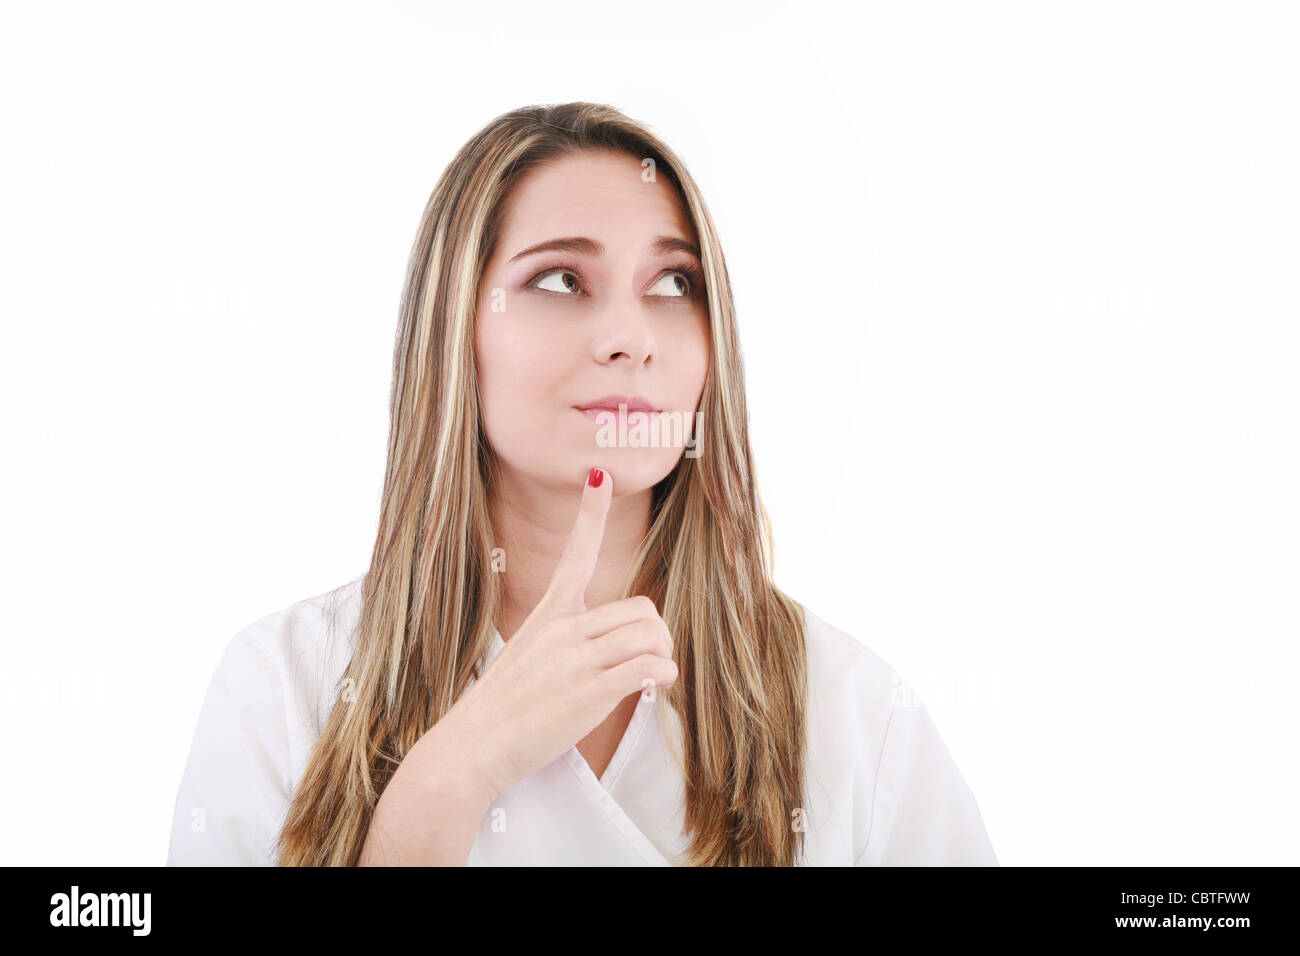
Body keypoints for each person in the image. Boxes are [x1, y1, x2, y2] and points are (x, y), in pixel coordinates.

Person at [166, 102, 998, 866]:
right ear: (455, 330)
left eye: (674, 283)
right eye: (561, 280)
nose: (631, 338)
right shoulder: (279, 691)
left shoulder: (856, 717)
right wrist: (444, 786)